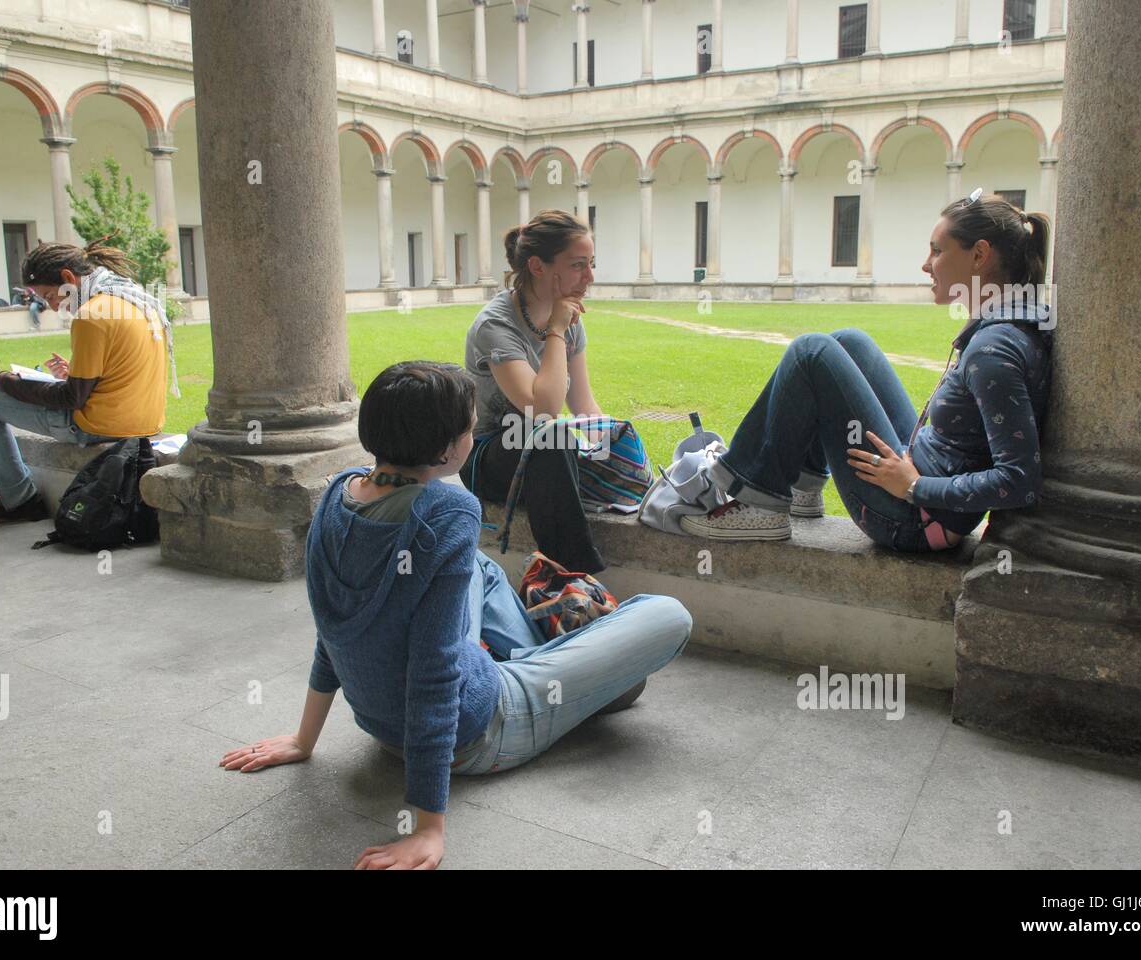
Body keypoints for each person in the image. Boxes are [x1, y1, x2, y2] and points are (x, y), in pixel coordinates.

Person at [220, 361, 692, 870]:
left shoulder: (337, 494)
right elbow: (434, 671)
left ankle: (558, 673)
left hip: (386, 728)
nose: (473, 436)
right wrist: (427, 828)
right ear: (447, 449)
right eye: (469, 428)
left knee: (478, 567)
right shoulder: (449, 512)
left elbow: (334, 624)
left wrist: (303, 739)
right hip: (480, 731)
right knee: (667, 614)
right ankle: (568, 685)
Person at [681, 191, 1053, 552]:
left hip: (912, 518)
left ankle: (760, 502)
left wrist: (913, 487)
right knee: (849, 340)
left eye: (937, 251)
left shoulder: (993, 349)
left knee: (811, 351)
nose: (926, 264)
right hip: (920, 471)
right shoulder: (1011, 323)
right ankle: (803, 486)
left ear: (980, 255)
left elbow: (1018, 481)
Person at [0, 237, 178, 524]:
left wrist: (9, 382)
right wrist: (72, 371)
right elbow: (118, 370)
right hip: (145, 422)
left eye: (49, 296)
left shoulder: (91, 314)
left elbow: (72, 398)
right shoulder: (130, 298)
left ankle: (15, 500)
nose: (51, 305)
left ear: (68, 278)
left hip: (99, 426)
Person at [459, 209, 611, 574]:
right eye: (577, 265)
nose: (589, 277)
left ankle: (568, 580)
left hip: (540, 448)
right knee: (552, 438)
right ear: (538, 266)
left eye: (591, 264)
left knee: (579, 443)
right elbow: (541, 410)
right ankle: (575, 577)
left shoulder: (568, 319)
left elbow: (583, 406)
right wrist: (557, 330)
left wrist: (612, 439)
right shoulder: (495, 325)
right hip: (489, 456)